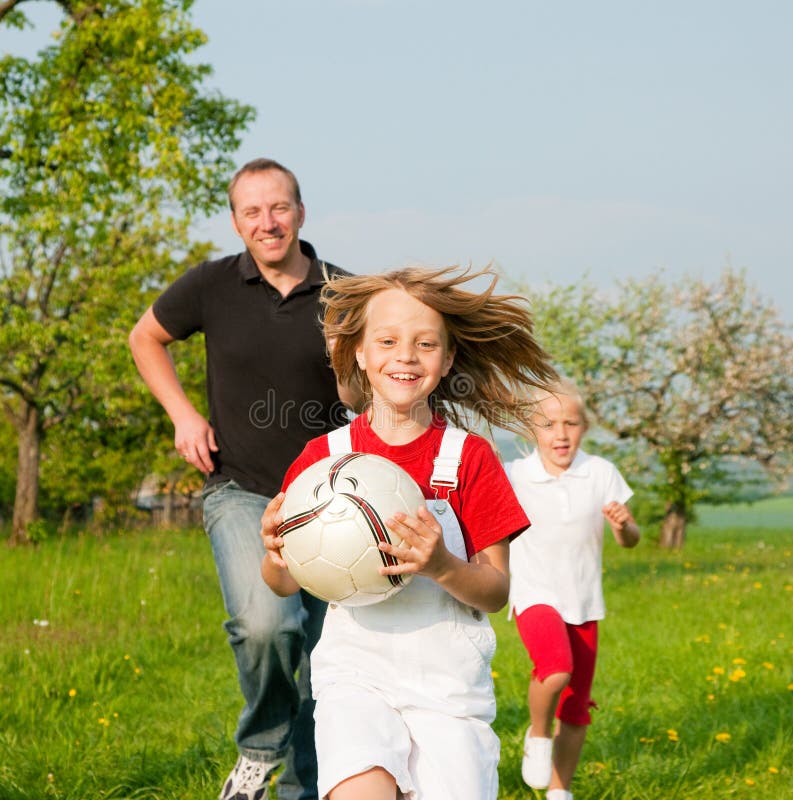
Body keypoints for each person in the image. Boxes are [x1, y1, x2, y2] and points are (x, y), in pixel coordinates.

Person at [260, 264, 559, 800]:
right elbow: (283, 585)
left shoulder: (469, 458)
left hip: (448, 691)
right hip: (356, 676)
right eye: (388, 340)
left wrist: (442, 566)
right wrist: (277, 554)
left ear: (445, 361)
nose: (405, 355)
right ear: (359, 353)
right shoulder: (321, 461)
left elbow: (496, 592)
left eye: (425, 344)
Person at [128, 158, 363, 800]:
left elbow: (378, 381)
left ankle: (306, 788)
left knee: (322, 661)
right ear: (236, 222)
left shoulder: (346, 291)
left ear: (301, 213)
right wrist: (183, 415)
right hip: (240, 488)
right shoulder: (211, 285)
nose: (268, 222)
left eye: (279, 207)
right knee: (269, 626)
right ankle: (260, 749)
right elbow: (144, 337)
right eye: (252, 212)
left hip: (333, 500)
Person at [505, 378, 641, 800]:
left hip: (583, 601)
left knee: (578, 707)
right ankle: (539, 733)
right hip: (534, 594)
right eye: (548, 424)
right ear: (532, 431)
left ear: (584, 427)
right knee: (555, 668)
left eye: (571, 423)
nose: (560, 433)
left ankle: (560, 791)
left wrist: (623, 525)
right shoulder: (515, 475)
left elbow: (632, 537)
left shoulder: (600, 472)